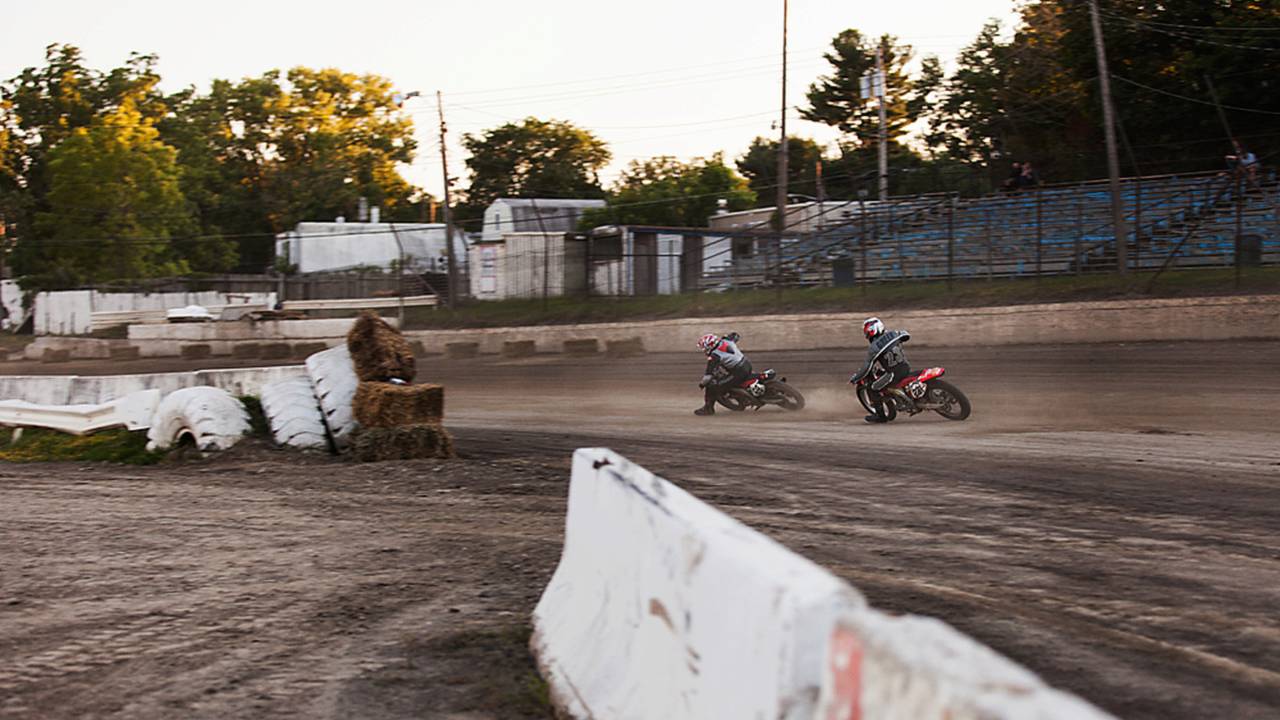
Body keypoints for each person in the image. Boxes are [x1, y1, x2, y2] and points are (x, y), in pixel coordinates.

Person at [849, 317, 911, 424]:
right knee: (884, 375)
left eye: (867, 332)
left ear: (873, 330)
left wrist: (856, 378)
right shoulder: (894, 333)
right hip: (905, 367)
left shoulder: (874, 347)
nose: (867, 335)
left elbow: (866, 368)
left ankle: (880, 416)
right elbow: (906, 335)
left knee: (872, 388)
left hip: (893, 374)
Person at [694, 331, 752, 416]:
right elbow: (735, 335)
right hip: (747, 364)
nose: (704, 350)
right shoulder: (727, 340)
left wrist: (702, 384)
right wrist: (728, 336)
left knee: (712, 386)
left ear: (710, 346)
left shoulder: (714, 356)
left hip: (739, 372)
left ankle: (708, 408)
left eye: (704, 347)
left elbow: (708, 376)